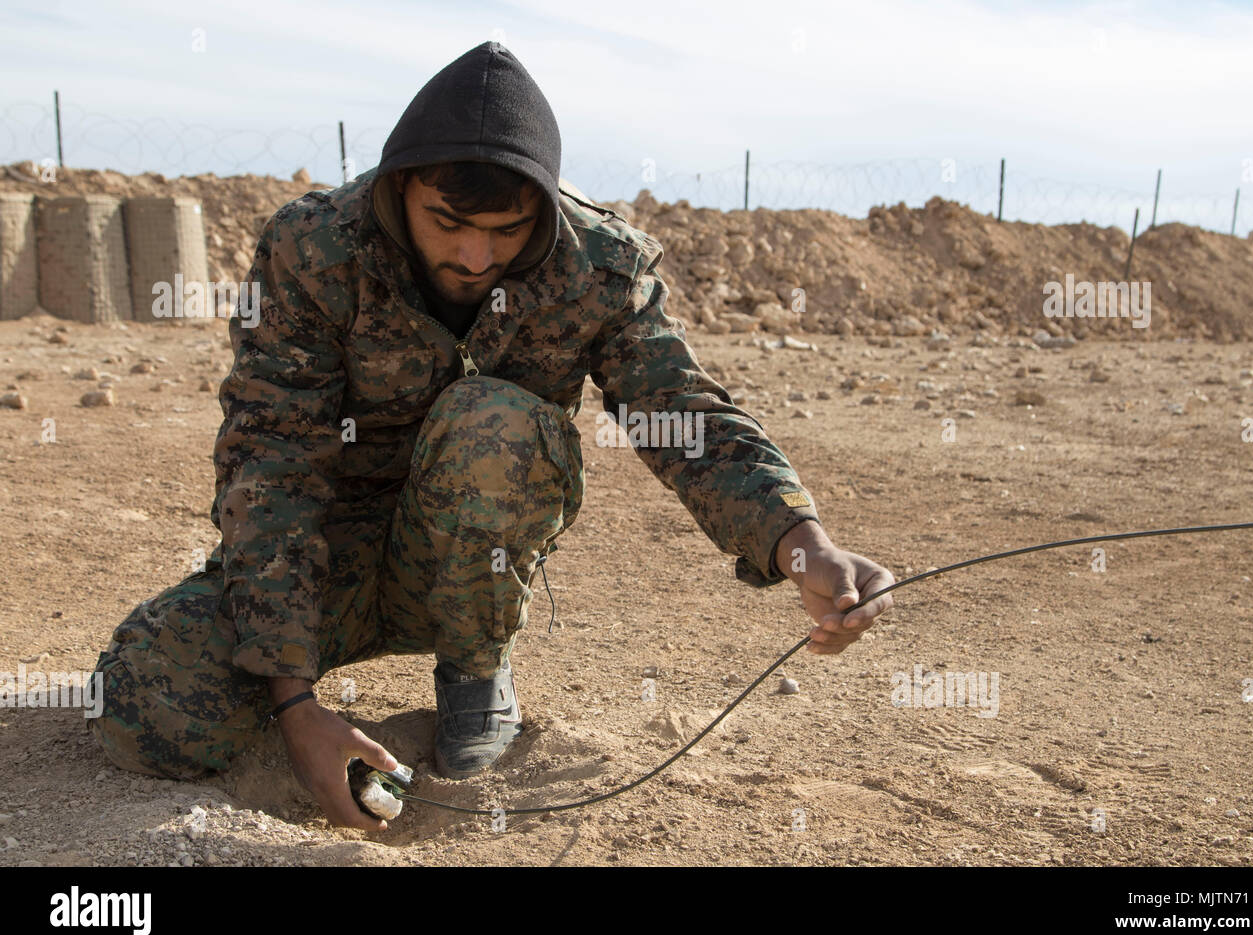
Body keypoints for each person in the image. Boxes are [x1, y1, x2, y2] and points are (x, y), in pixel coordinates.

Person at [87, 41, 895, 831]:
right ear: (400, 189)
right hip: (324, 561)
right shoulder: (314, 247)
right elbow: (274, 459)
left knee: (495, 425)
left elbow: (679, 410)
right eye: (449, 222)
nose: (476, 257)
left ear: (540, 210)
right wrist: (294, 700)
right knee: (146, 704)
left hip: (470, 561)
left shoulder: (598, 264)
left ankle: (474, 672)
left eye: (506, 231)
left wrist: (801, 541)